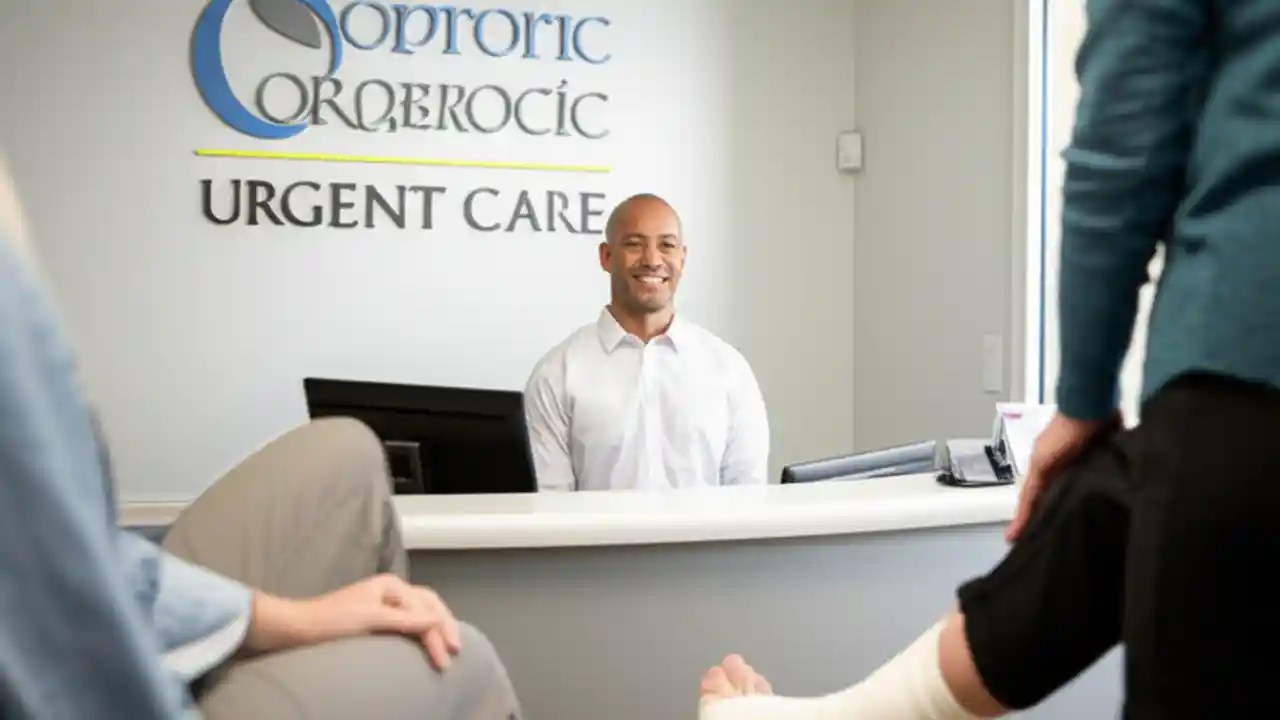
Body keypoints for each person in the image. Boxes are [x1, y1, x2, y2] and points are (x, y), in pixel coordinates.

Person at [698, 1, 1280, 717]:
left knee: (1116, 494)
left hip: (1246, 363)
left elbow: (1124, 147)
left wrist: (1084, 400)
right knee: (1112, 502)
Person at [0, 157, 521, 719]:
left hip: (96, 592)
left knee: (344, 450)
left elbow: (63, 551)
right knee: (460, 660)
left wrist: (291, 623)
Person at [524, 193, 769, 491]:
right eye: (634, 244)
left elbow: (748, 497)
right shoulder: (557, 374)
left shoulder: (729, 369)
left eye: (666, 245)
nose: (652, 260)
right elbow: (551, 507)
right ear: (606, 257)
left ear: (682, 257)